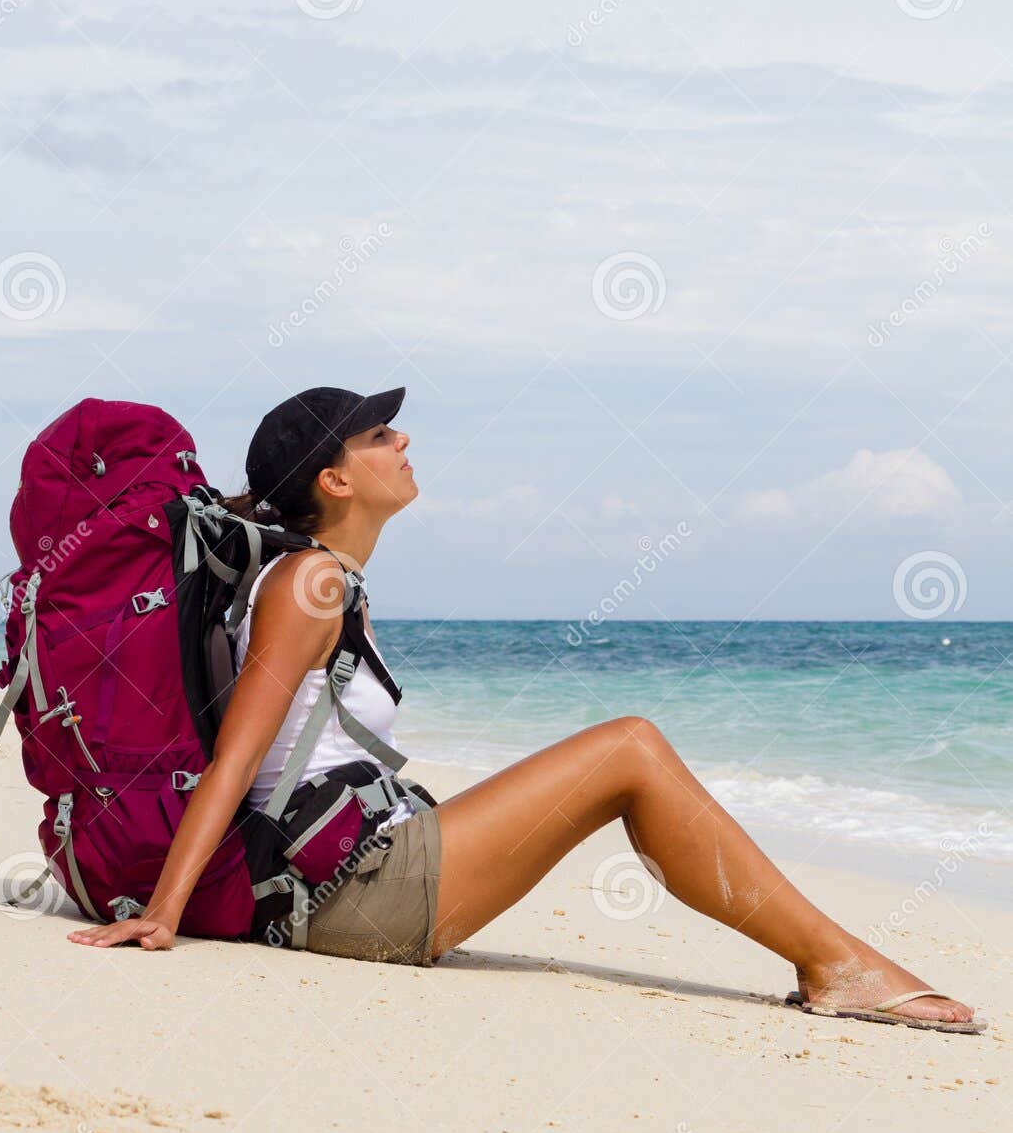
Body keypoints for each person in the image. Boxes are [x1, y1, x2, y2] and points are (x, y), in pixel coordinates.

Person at [68, 386, 985, 1035]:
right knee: (629, 748)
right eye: (378, 434)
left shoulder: (312, 577)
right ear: (334, 481)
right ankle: (837, 965)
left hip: (340, 876)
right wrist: (165, 912)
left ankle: (835, 962)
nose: (402, 439)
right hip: (348, 892)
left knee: (627, 751)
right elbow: (236, 756)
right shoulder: (308, 582)